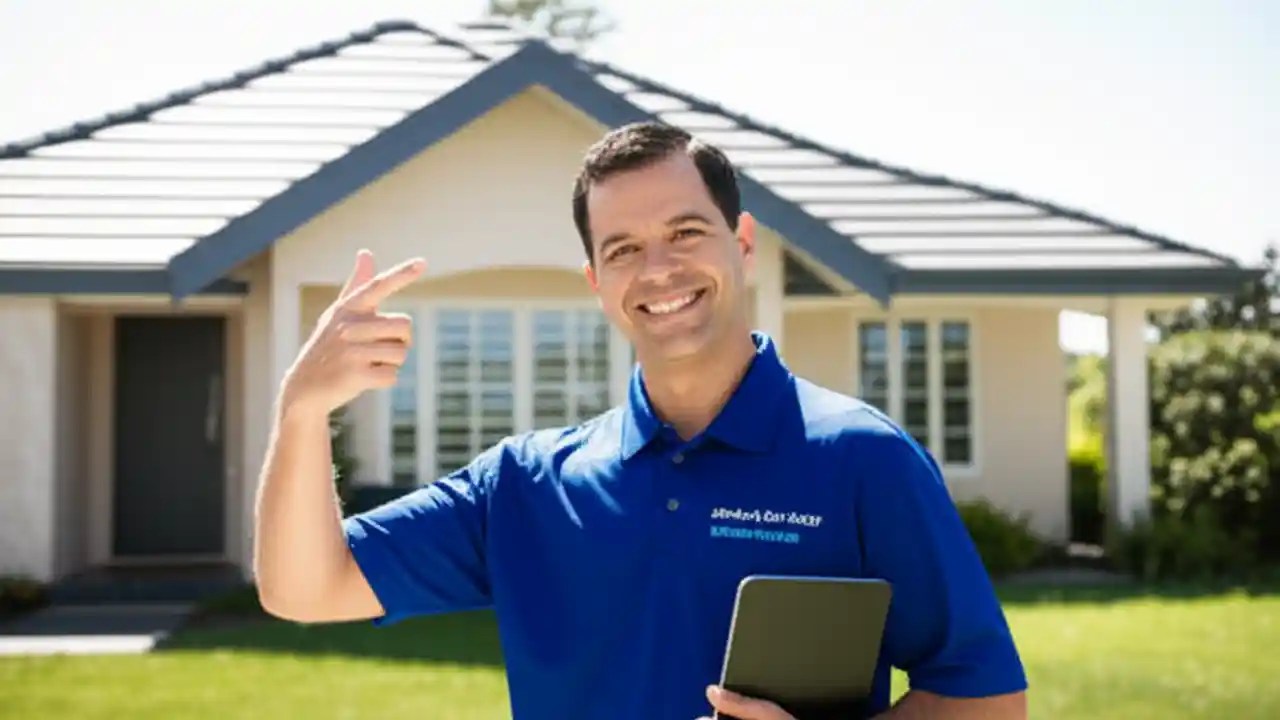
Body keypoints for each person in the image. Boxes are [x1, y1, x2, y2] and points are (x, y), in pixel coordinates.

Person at [253, 121, 1029, 719]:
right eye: (623, 249)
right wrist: (301, 409)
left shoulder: (864, 459)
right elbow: (305, 587)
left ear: (744, 243)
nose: (658, 271)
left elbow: (986, 699)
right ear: (597, 282)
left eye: (685, 233)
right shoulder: (523, 487)